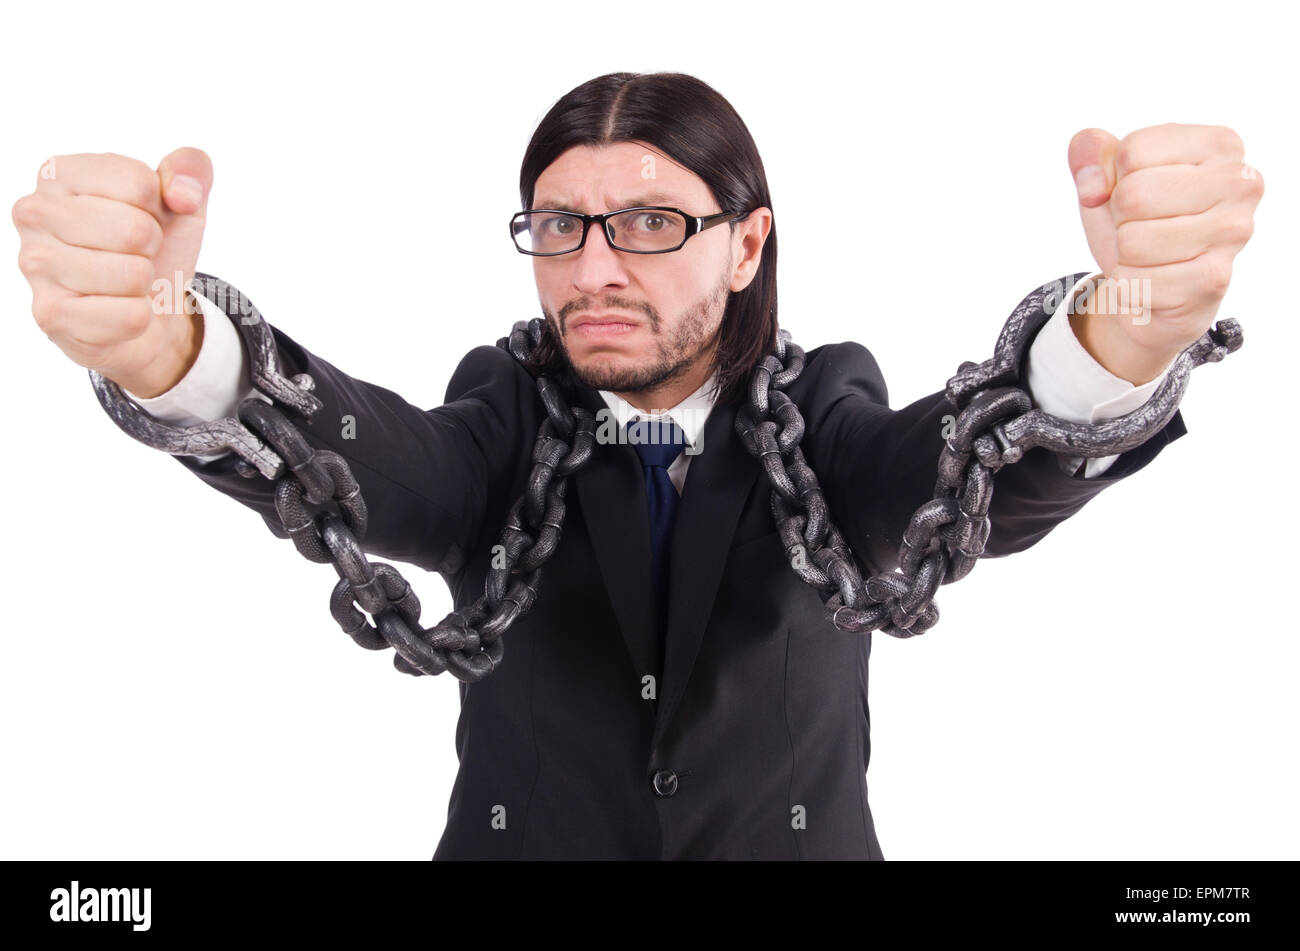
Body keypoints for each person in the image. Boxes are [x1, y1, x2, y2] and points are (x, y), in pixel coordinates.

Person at [12, 72, 1261, 859]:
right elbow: (374, 460)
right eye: (561, 226)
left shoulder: (824, 414)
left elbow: (946, 478)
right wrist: (176, 348)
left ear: (745, 245)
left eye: (654, 224)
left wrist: (1117, 337)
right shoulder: (501, 416)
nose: (595, 268)